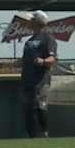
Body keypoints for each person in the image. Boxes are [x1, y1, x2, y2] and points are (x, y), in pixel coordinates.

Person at [20, 10, 57, 138]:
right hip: (27, 80)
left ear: (38, 22)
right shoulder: (28, 41)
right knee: (28, 109)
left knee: (39, 107)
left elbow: (52, 59)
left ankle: (44, 134)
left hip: (40, 80)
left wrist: (43, 61)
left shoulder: (48, 38)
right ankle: (31, 137)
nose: (28, 22)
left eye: (31, 20)